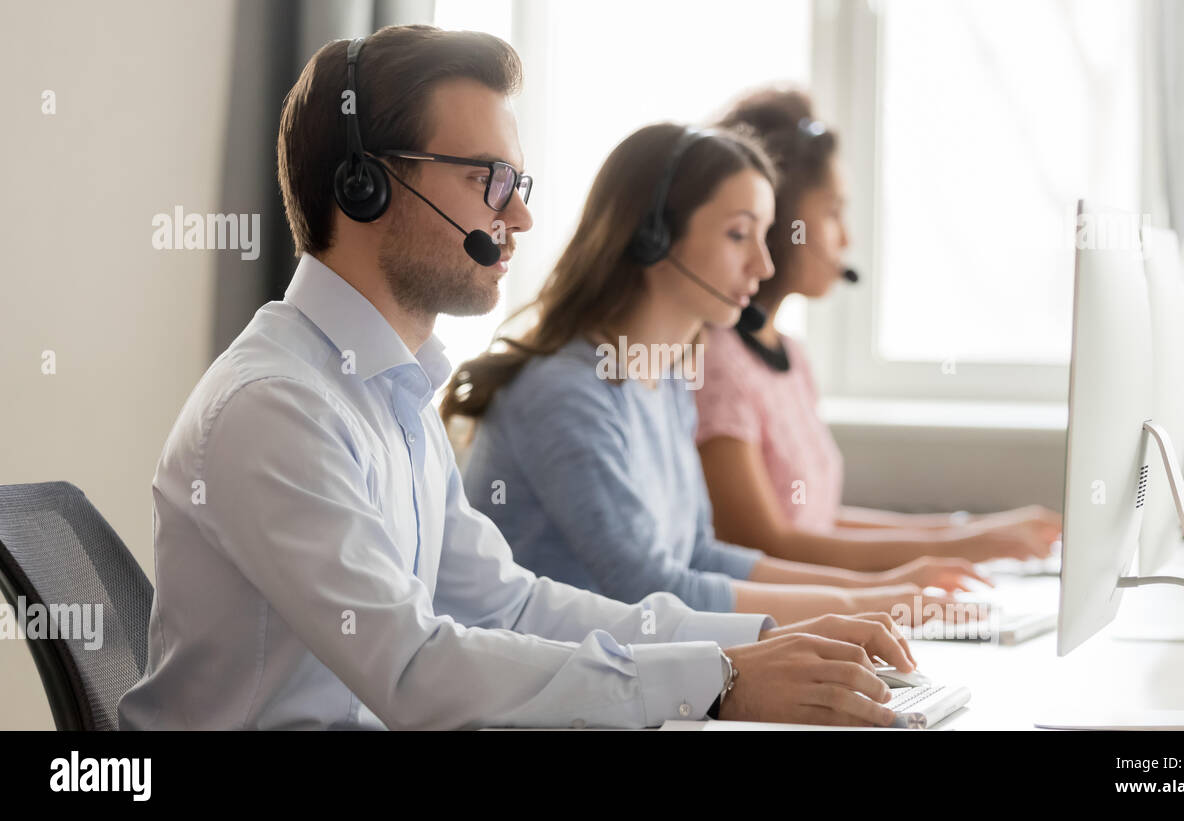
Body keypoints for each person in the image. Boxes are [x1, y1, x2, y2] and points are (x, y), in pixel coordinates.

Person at [115, 27, 927, 731]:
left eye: (519, 183)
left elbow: (510, 604)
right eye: (487, 180)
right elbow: (413, 669)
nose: (522, 217)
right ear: (366, 185)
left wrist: (757, 647)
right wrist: (718, 680)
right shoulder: (276, 406)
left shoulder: (386, 392)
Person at [447, 122, 988, 628]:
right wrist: (866, 603)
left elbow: (700, 554)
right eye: (738, 235)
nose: (764, 265)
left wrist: (883, 590)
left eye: (766, 235)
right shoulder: (566, 392)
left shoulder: (670, 379)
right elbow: (647, 585)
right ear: (653, 237)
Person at [691, 88, 1061, 574]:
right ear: (776, 220)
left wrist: (975, 533)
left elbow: (817, 525)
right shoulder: (717, 363)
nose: (846, 239)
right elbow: (768, 545)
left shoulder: (791, 357)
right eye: (832, 212)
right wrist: (969, 545)